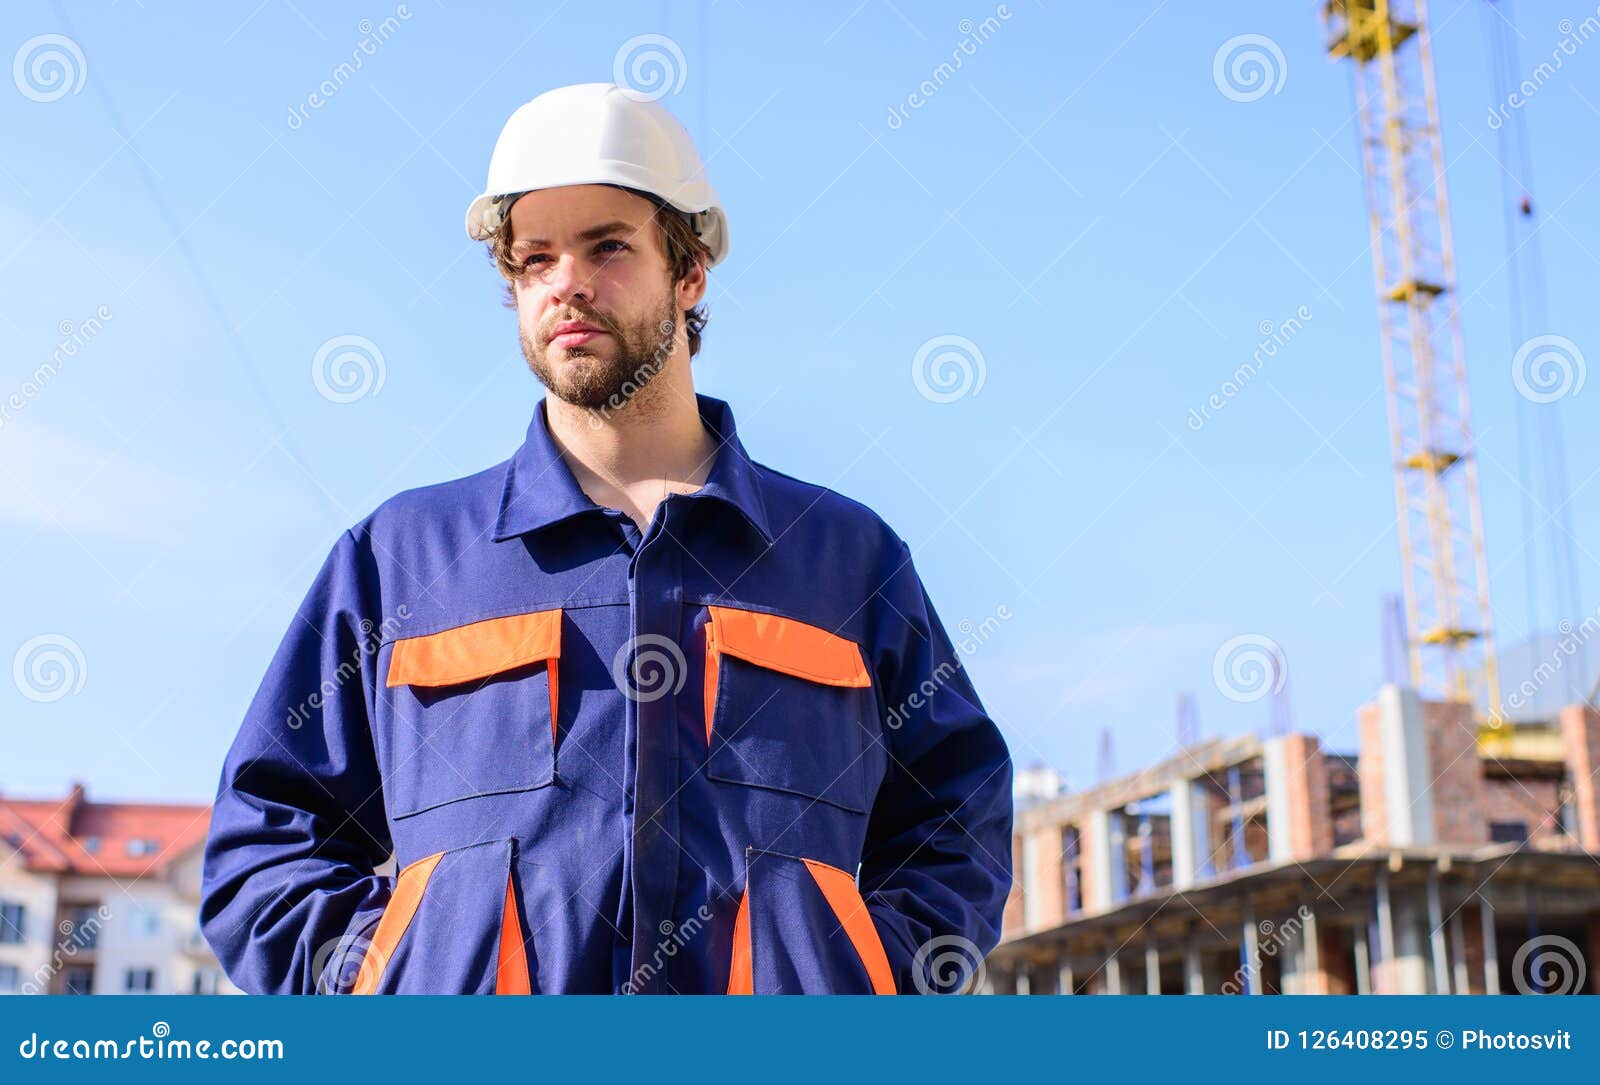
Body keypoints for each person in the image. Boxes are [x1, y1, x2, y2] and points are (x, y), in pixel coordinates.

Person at [199, 82, 1012, 994]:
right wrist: (384, 981)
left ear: (690, 270)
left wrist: (869, 979)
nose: (567, 283)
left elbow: (958, 815)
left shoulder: (846, 559)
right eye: (534, 257)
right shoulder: (401, 561)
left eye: (609, 246)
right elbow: (264, 842)